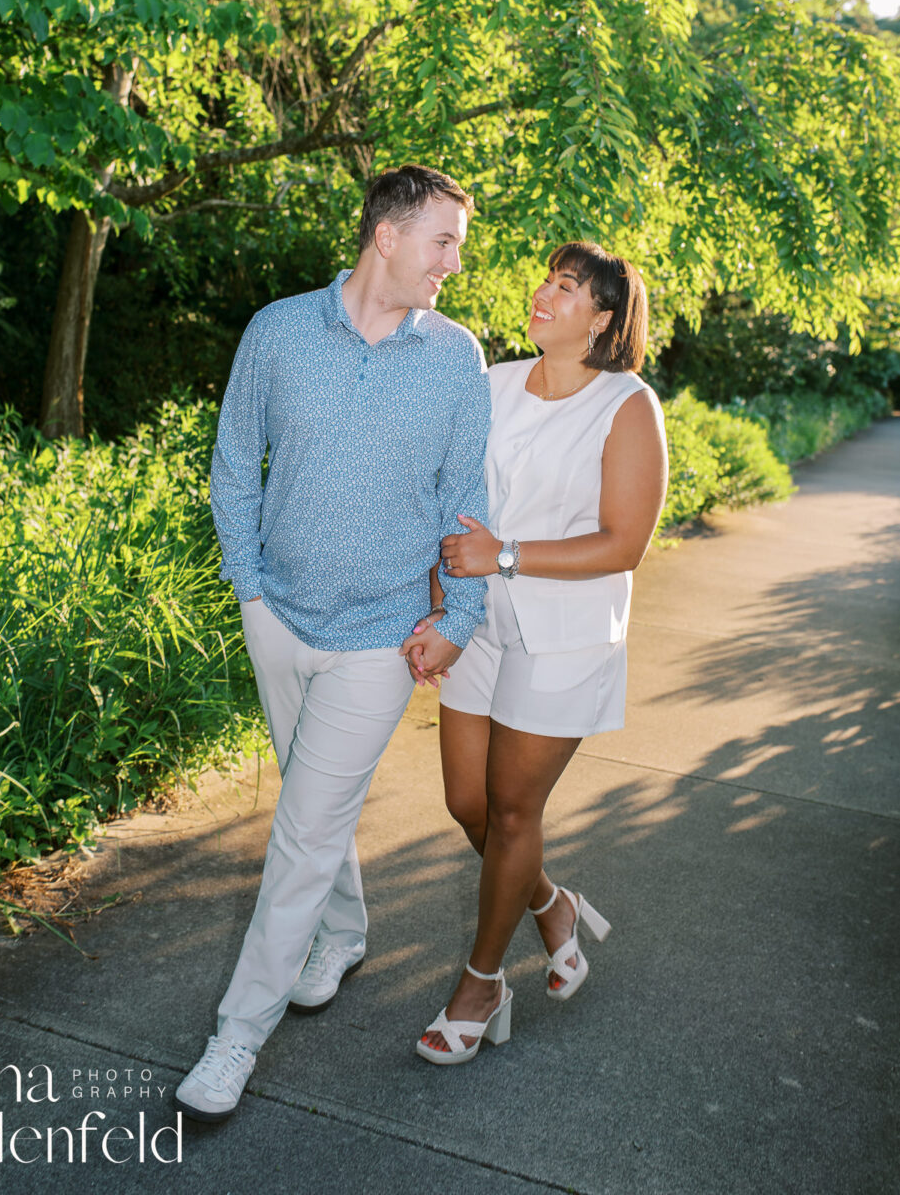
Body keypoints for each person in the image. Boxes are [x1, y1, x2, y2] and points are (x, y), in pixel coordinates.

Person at [174, 164, 491, 1121]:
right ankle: (342, 935)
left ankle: (234, 1039)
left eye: (459, 250)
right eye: (442, 243)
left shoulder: (455, 357)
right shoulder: (277, 331)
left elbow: (464, 502)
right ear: (386, 237)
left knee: (303, 832)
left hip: (379, 637)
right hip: (278, 616)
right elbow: (234, 465)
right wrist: (251, 592)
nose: (453, 265)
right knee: (320, 813)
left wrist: (457, 621)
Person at [401, 240, 668, 1063]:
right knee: (467, 805)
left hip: (565, 635)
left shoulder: (626, 404)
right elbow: (452, 505)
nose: (545, 293)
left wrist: (505, 553)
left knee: (516, 810)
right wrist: (443, 607)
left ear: (602, 318)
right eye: (546, 279)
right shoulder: (491, 386)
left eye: (568, 287)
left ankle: (482, 982)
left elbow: (623, 543)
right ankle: (550, 902)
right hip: (480, 622)